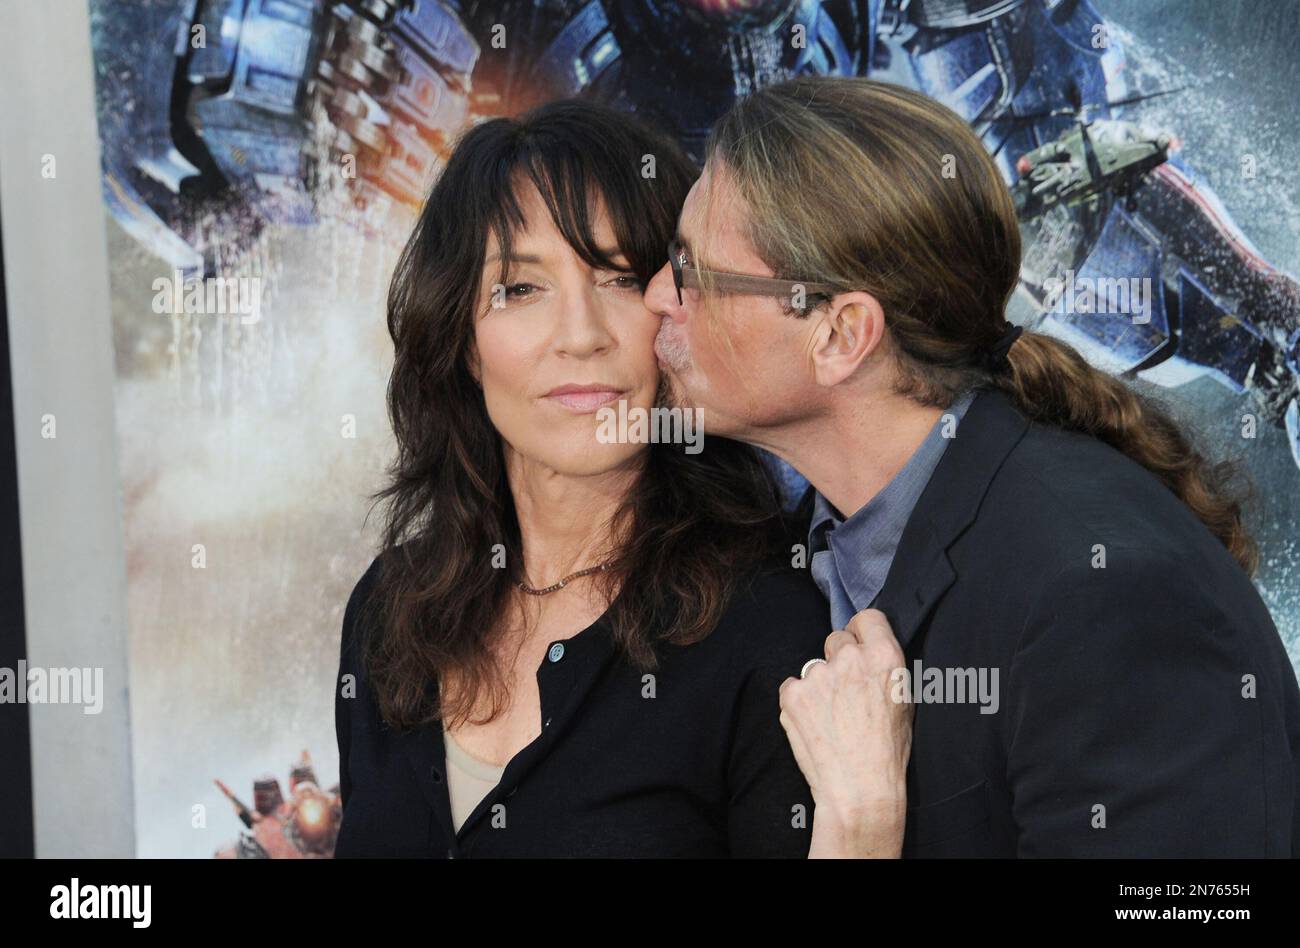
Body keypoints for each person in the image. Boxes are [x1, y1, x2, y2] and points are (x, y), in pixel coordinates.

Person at [644, 76, 1300, 857]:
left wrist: (862, 834)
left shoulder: (1102, 596)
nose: (657, 296)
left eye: (691, 270)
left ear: (840, 336)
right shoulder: (804, 551)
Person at [333, 99, 909, 858]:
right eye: (520, 288)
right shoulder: (392, 608)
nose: (581, 337)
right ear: (463, 342)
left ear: (681, 309)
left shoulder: (775, 630)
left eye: (619, 278)